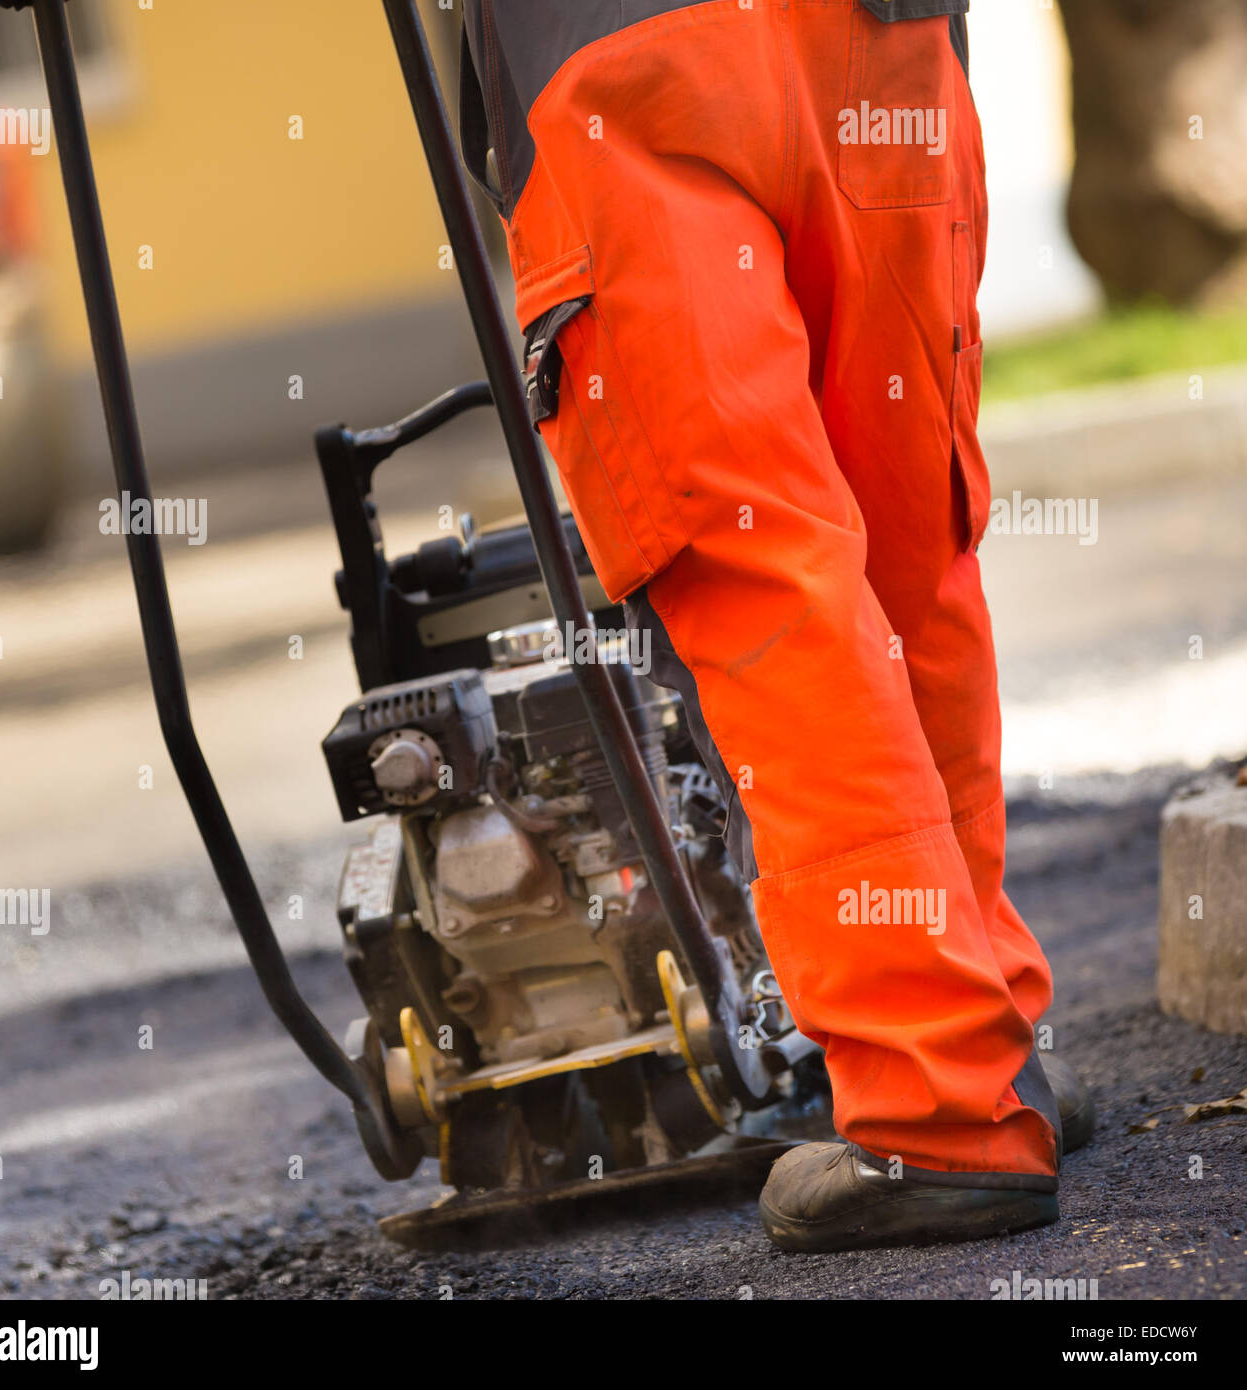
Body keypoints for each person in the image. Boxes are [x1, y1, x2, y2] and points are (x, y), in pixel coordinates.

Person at [459, 0, 1093, 1252]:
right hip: (881, 44)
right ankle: (987, 1046)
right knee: (911, 557)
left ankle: (938, 1106)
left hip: (623, 64)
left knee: (769, 579)